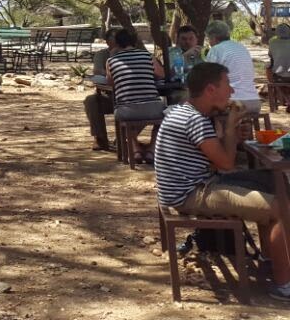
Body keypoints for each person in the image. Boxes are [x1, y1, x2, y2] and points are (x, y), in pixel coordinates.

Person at [154, 62, 290, 303]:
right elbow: (225, 164)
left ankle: (272, 259)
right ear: (210, 90)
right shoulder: (195, 120)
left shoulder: (183, 111)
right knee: (278, 207)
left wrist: (233, 135)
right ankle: (283, 285)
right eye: (227, 85)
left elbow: (217, 158)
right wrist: (229, 127)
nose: (231, 92)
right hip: (190, 193)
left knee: (272, 180)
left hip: (193, 184)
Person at [104, 29, 166, 163]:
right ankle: (151, 150)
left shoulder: (111, 61)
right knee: (165, 113)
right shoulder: (147, 56)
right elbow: (161, 74)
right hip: (153, 107)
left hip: (126, 110)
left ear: (116, 43)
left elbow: (110, 82)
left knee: (125, 117)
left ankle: (136, 150)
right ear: (134, 41)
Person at [203, 20, 261, 115]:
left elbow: (208, 79)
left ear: (213, 37)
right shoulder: (241, 47)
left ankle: (220, 129)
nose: (209, 42)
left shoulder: (215, 50)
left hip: (235, 103)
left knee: (204, 110)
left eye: (209, 39)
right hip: (254, 100)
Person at [83, 28, 121, 151]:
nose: (117, 42)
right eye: (113, 39)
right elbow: (98, 71)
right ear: (107, 41)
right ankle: (100, 138)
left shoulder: (127, 53)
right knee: (91, 101)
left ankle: (123, 139)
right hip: (108, 96)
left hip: (126, 97)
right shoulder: (102, 55)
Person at [268, 24, 290, 112]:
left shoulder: (272, 42)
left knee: (275, 73)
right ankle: (288, 100)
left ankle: (287, 100)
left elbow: (271, 57)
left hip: (279, 77)